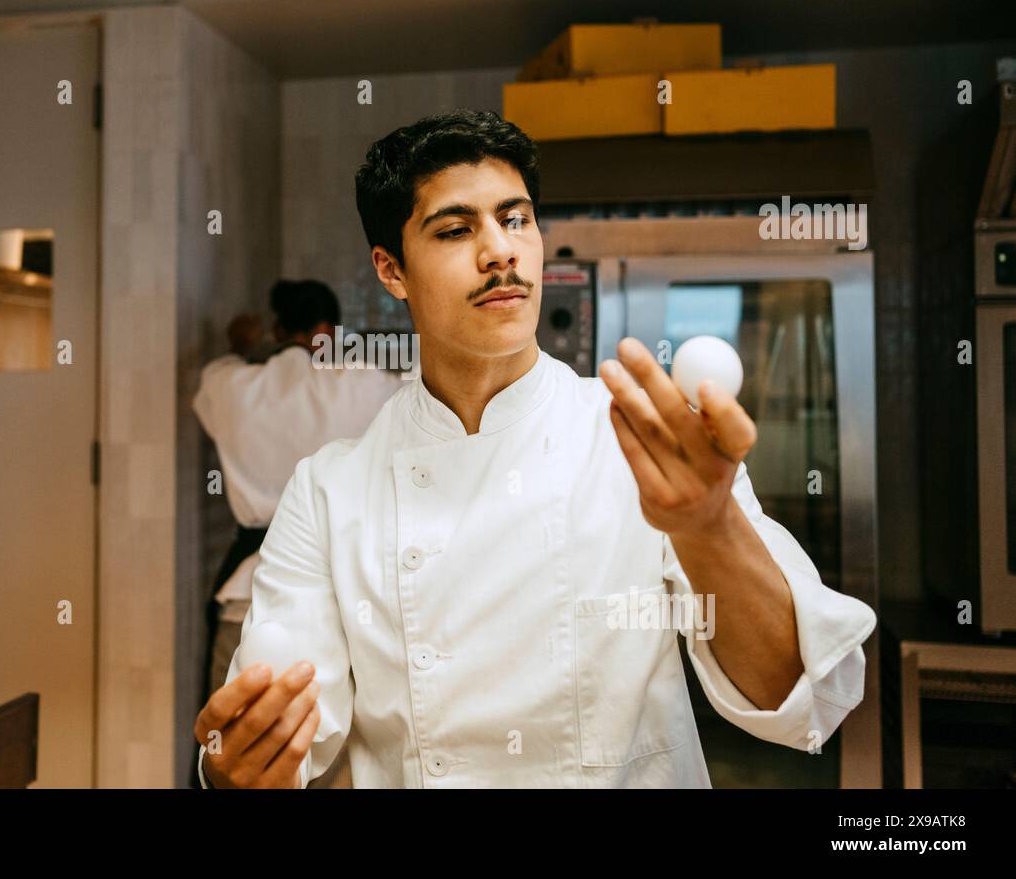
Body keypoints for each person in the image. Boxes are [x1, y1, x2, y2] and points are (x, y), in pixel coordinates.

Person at [194, 109, 877, 789]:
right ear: (392, 271)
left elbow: (793, 694)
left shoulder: (639, 443)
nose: (501, 250)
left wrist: (709, 523)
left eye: (516, 219)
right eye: (457, 229)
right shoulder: (328, 492)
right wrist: (235, 765)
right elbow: (262, 751)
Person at [191, 278, 402, 784]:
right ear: (334, 329)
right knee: (347, 763)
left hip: (246, 590)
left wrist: (247, 345)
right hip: (358, 592)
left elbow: (213, 381)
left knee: (249, 751)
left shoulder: (234, 385)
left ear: (279, 328)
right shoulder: (374, 383)